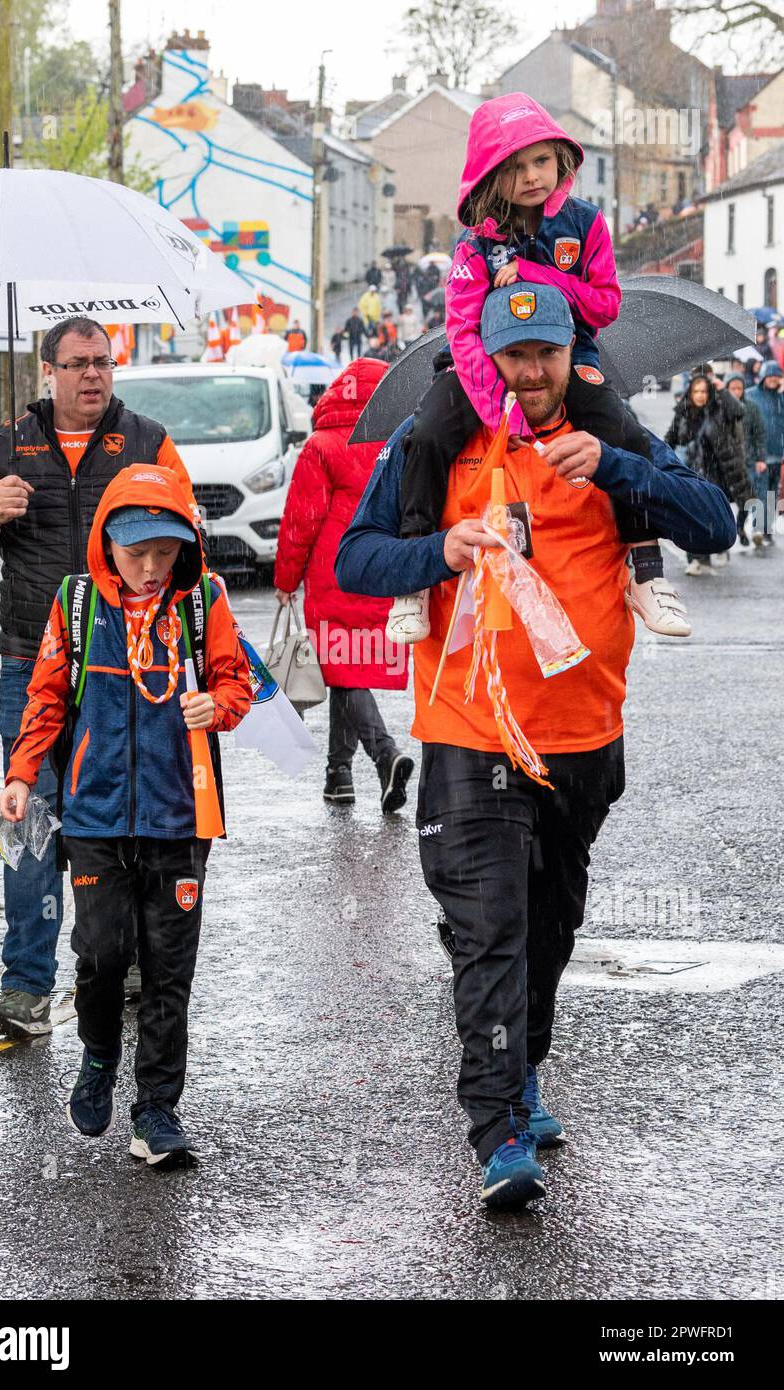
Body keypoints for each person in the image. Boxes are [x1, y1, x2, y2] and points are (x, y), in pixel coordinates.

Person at [336, 284, 735, 1211]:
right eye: (513, 356)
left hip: (583, 735)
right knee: (490, 930)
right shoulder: (436, 444)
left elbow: (712, 520)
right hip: (467, 733)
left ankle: (524, 1069)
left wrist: (621, 471)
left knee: (549, 931)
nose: (530, 372)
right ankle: (498, 1130)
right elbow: (357, 559)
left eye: (545, 354)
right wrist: (438, 552)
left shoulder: (611, 437)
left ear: (570, 354)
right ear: (487, 359)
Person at [0, 315, 202, 1039]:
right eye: (78, 363)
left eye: (103, 362)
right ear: (47, 373)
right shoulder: (8, 445)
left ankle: (118, 963)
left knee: (130, 823)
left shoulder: (147, 442)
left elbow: (190, 544)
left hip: (130, 668)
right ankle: (27, 987)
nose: (93, 375)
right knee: (30, 823)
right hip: (30, 663)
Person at [0, 465, 252, 1164]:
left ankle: (157, 1113)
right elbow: (47, 694)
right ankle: (101, 1052)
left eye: (164, 552)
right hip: (95, 818)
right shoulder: (77, 606)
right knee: (101, 956)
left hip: (179, 819)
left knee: (171, 970)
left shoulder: (204, 601)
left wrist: (218, 706)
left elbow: (238, 681)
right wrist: (22, 774)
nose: (149, 567)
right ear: (106, 543)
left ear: (185, 548)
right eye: (135, 551)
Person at [385, 92, 688, 645]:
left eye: (541, 161)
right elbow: (461, 328)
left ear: (561, 160)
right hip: (481, 364)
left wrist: (538, 274)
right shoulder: (475, 243)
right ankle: (414, 582)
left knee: (620, 429)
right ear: (489, 176)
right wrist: (500, 408)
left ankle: (646, 571)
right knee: (427, 433)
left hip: (571, 357)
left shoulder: (586, 224)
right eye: (515, 166)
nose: (531, 176)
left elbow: (604, 305)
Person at [273, 359, 413, 812]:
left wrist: (285, 579)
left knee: (342, 670)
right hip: (380, 565)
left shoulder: (322, 445)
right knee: (347, 671)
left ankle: (384, 754)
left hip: (333, 571)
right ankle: (339, 775)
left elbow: (301, 520)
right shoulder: (397, 442)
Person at [665, 374, 750, 572]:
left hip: (718, 472)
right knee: (693, 515)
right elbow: (671, 438)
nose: (700, 395)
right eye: (696, 391)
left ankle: (720, 547)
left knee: (715, 514)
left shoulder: (719, 409)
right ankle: (696, 558)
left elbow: (739, 411)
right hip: (692, 472)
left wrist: (723, 390)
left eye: (704, 391)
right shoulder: (684, 412)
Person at [725, 372, 767, 545]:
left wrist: (760, 458)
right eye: (732, 388)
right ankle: (728, 531)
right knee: (726, 498)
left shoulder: (751, 408)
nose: (736, 391)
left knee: (747, 497)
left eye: (739, 388)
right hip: (726, 462)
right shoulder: (720, 407)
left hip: (747, 460)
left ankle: (740, 526)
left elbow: (759, 434)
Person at [746, 361, 784, 546]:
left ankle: (767, 529)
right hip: (758, 454)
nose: (773, 379)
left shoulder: (781, 396)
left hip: (778, 453)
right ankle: (758, 528)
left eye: (776, 376)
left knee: (771, 493)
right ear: (763, 377)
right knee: (760, 492)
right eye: (770, 376)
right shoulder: (751, 395)